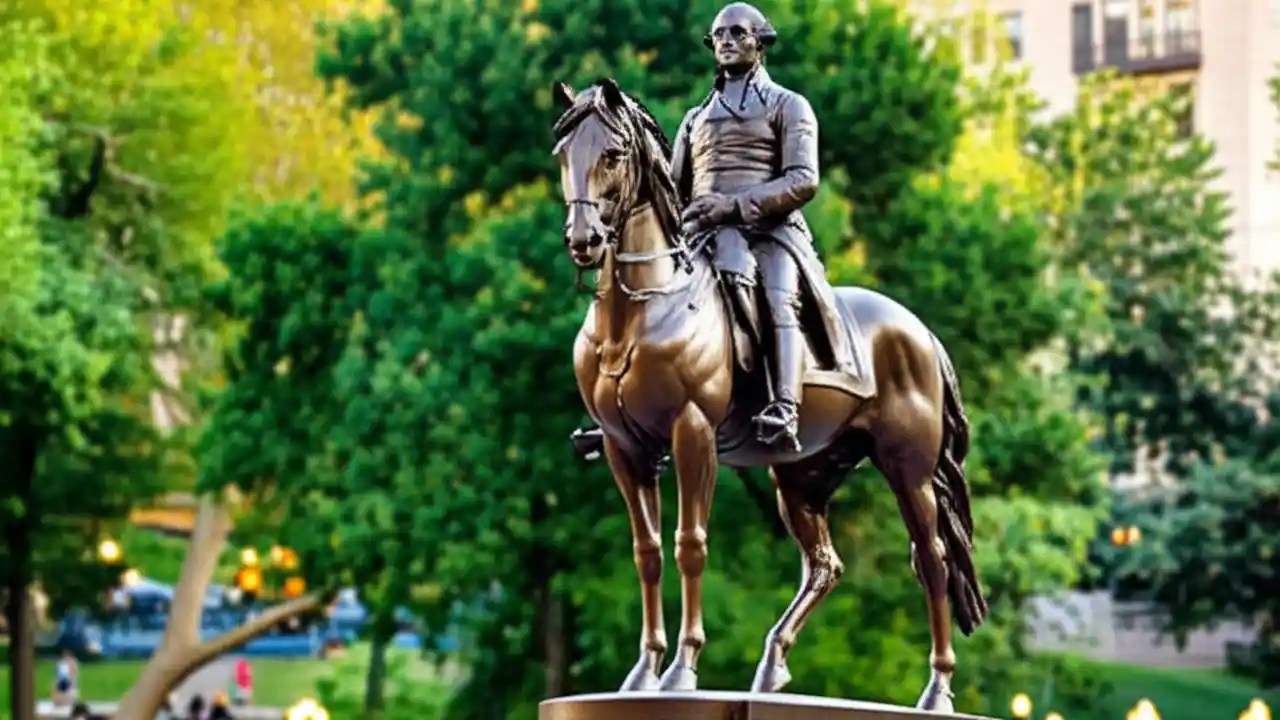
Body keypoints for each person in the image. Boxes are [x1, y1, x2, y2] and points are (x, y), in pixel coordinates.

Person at [570, 2, 861, 455]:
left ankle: (784, 404)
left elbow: (803, 179)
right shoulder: (695, 118)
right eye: (719, 36)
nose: (725, 41)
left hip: (771, 232)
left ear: (760, 43)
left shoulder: (789, 105)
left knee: (777, 297)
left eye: (737, 33)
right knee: (641, 292)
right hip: (703, 233)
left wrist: (735, 205)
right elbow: (675, 187)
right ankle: (622, 414)